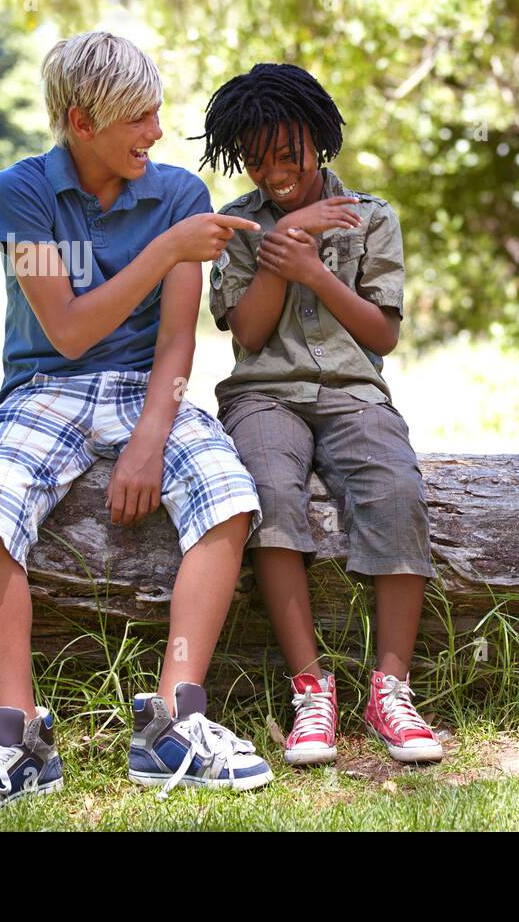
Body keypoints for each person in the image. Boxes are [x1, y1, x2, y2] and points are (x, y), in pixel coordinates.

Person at [0, 32, 273, 824]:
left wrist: (154, 434)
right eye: (139, 118)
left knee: (228, 493)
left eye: (156, 112)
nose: (156, 132)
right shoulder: (20, 193)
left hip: (148, 387)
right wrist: (164, 252)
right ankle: (16, 739)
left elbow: (177, 341)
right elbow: (70, 331)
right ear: (81, 121)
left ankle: (173, 721)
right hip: (45, 384)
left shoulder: (182, 194)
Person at [196, 63, 443, 766]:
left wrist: (314, 270)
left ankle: (390, 688)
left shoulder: (373, 216)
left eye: (289, 154)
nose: (274, 171)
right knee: (268, 493)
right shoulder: (240, 225)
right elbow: (247, 334)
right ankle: (312, 690)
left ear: (319, 141)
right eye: (257, 157)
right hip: (265, 395)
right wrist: (281, 254)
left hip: (353, 393)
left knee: (396, 487)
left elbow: (381, 334)